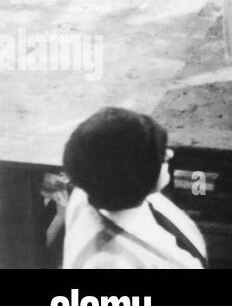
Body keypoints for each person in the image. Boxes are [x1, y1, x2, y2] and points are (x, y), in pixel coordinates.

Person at [61, 107, 207, 269]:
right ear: (139, 176)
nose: (169, 154)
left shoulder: (89, 187)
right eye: (160, 154)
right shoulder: (113, 263)